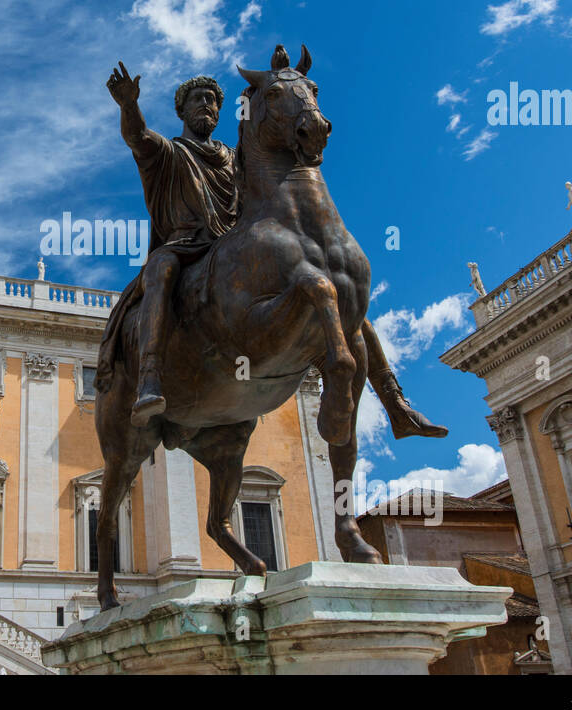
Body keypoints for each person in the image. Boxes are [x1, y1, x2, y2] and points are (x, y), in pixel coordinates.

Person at [98, 63, 444, 438]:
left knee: (345, 300)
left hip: (234, 249)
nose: (207, 106)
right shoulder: (168, 152)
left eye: (213, 101)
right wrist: (128, 105)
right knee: (159, 270)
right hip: (185, 246)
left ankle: (395, 402)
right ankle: (150, 375)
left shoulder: (234, 158)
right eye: (198, 100)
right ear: (181, 110)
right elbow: (137, 136)